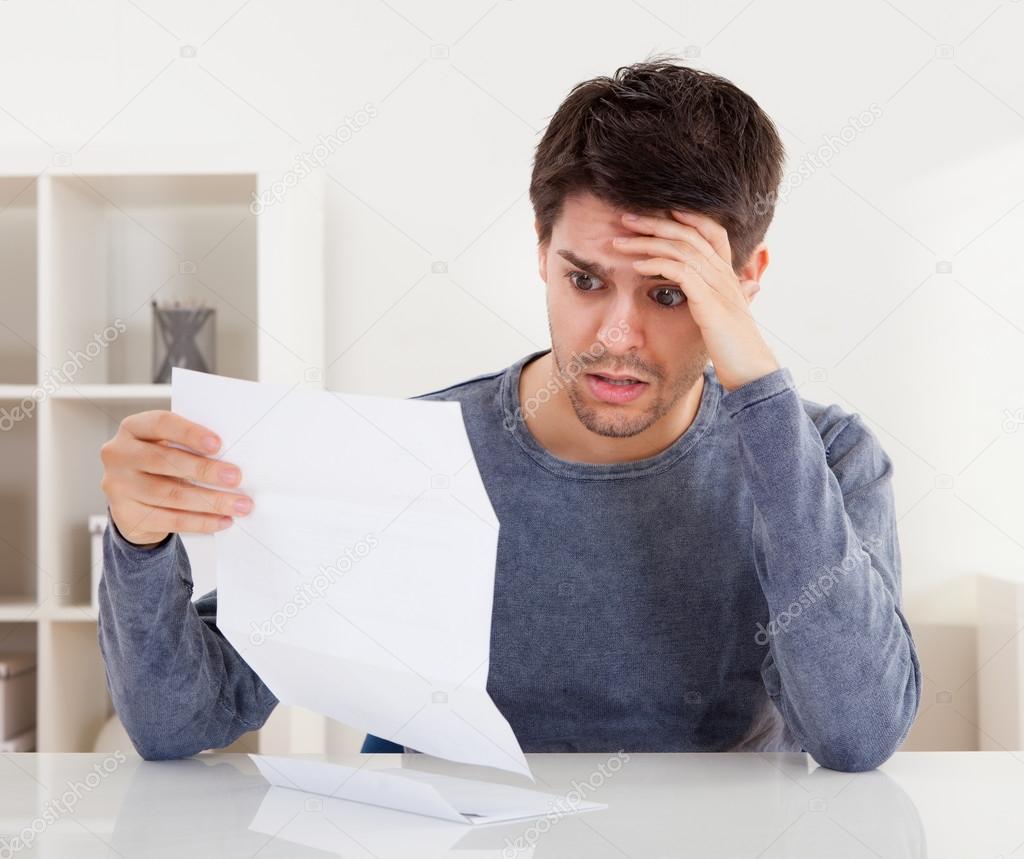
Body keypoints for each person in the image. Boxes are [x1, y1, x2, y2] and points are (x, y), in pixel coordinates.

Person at [98, 57, 921, 772]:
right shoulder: (410, 453)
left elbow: (854, 735)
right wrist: (138, 541)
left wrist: (761, 399)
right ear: (540, 251)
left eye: (671, 294)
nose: (617, 338)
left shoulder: (826, 456)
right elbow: (182, 724)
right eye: (586, 280)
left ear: (744, 282)